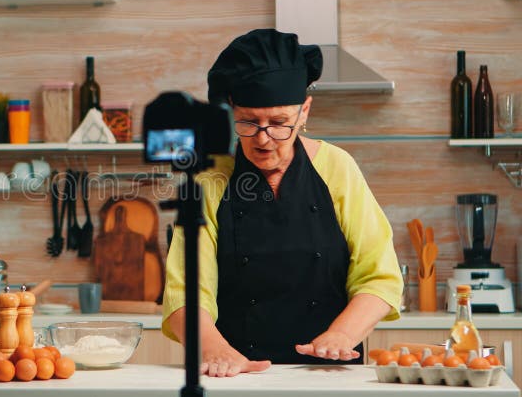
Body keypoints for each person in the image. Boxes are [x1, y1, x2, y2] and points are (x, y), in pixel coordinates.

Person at [161, 29, 403, 377]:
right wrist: (216, 351)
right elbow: (185, 290)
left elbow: (380, 276)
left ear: (304, 111)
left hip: (329, 375)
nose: (263, 138)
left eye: (278, 123)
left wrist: (342, 334)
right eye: (248, 121)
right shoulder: (209, 182)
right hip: (237, 374)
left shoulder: (338, 168)